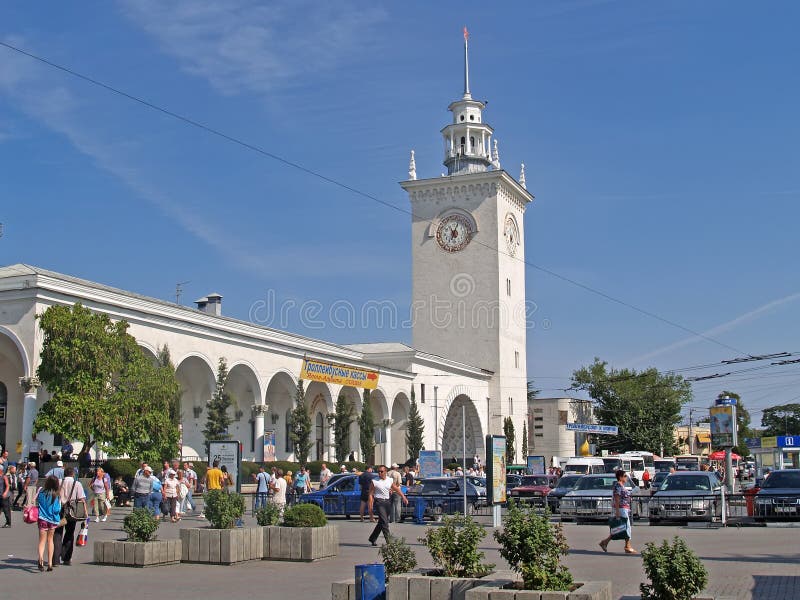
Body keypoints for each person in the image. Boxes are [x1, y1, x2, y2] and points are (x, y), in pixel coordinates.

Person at [53, 467, 87, 566]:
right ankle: (66, 557)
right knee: (69, 533)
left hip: (58, 509)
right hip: (72, 510)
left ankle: (55, 559)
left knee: (57, 533)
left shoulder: (59, 482)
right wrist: (85, 513)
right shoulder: (77, 484)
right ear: (73, 474)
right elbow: (81, 498)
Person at [368, 465, 408, 547]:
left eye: (381, 471)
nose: (380, 473)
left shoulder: (389, 480)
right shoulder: (374, 481)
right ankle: (389, 542)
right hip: (379, 502)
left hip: (387, 502)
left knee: (381, 522)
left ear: (386, 472)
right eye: (378, 471)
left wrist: (403, 497)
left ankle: (372, 538)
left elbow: (396, 488)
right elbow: (370, 495)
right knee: (385, 522)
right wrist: (371, 510)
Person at [599, 470, 637, 554]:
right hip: (621, 509)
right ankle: (627, 546)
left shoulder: (621, 486)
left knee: (620, 528)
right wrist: (617, 512)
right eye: (625, 476)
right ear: (620, 477)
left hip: (624, 508)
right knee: (626, 527)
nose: (626, 477)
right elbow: (617, 498)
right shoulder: (618, 486)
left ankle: (604, 542)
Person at [36, 475, 62, 571]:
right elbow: (58, 509)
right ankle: (50, 563)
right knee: (50, 540)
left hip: (42, 518)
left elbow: (36, 502)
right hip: (53, 519)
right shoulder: (57, 494)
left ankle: (41, 559)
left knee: (42, 540)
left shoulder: (41, 491)